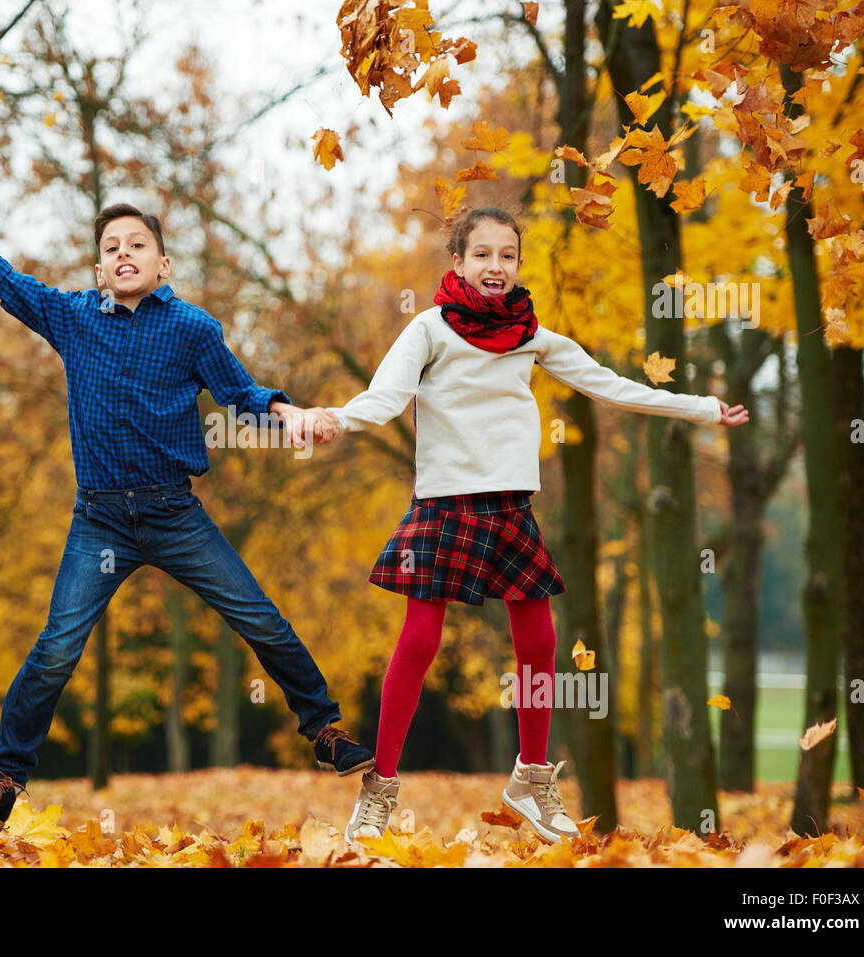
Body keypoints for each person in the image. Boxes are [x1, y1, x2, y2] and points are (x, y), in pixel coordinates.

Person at [0, 196, 373, 830]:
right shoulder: (71, 316)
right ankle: (1, 780)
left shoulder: (193, 328)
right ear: (100, 269)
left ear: (163, 263)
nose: (124, 254)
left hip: (174, 514)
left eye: (137, 244)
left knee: (261, 618)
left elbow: (243, 396)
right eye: (111, 248)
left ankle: (324, 730)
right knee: (56, 648)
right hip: (100, 521)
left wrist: (292, 416)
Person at [317, 206, 749, 844]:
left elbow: (613, 388)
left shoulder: (534, 339)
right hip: (444, 509)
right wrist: (333, 418)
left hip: (509, 509)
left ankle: (531, 778)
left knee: (540, 644)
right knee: (419, 643)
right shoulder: (429, 330)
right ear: (458, 263)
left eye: (507, 256)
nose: (496, 267)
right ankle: (379, 790)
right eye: (482, 255)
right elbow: (384, 399)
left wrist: (701, 408)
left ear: (519, 265)